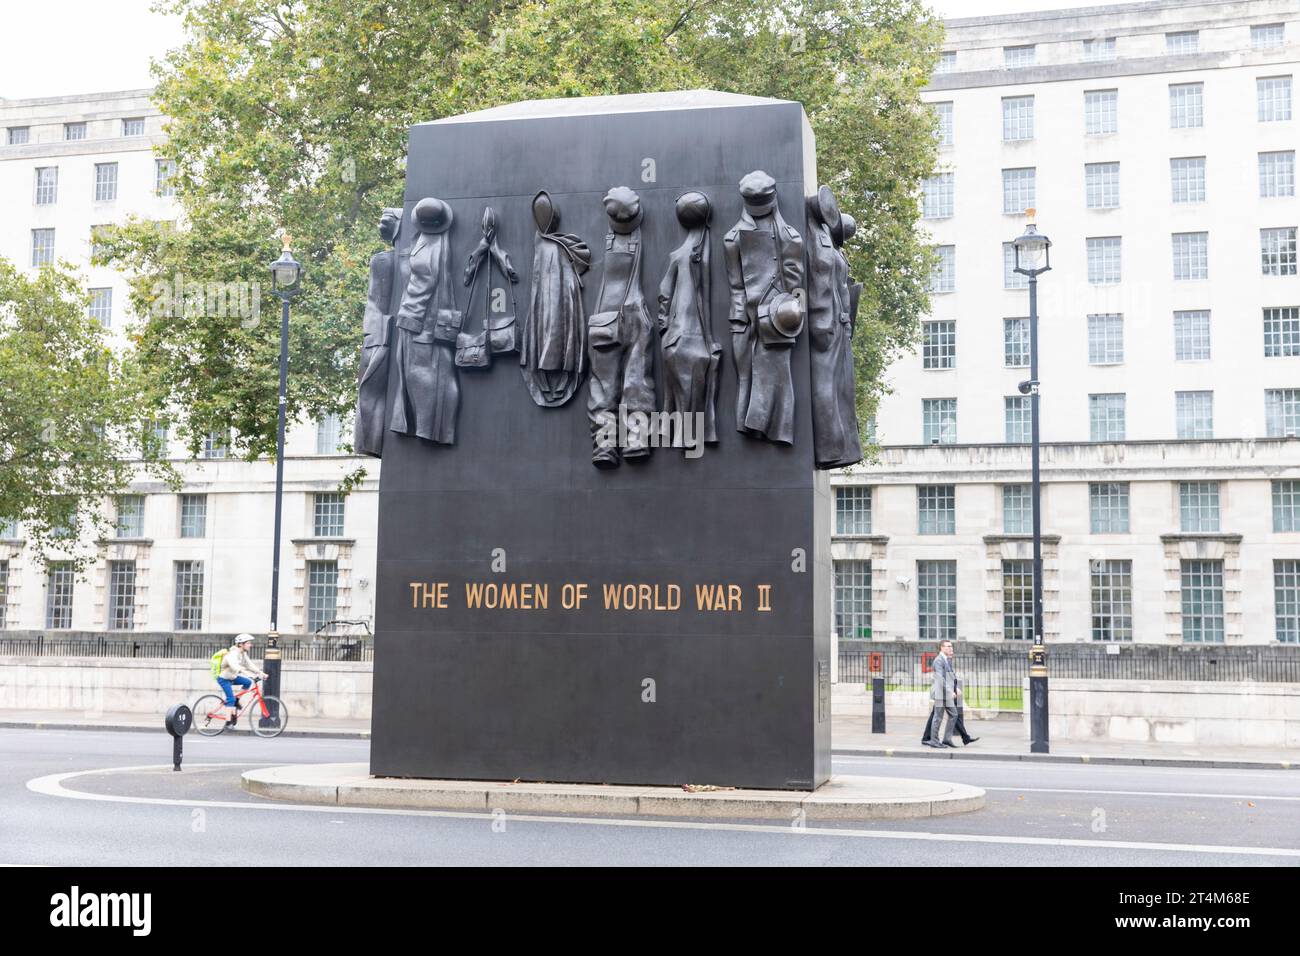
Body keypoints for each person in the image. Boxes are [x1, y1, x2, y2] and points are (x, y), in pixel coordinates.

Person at [218, 634, 267, 727]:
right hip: (224, 679)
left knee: (247, 682)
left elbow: (249, 665)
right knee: (230, 699)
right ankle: (228, 722)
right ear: (241, 644)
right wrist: (249, 674)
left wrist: (261, 673)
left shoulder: (243, 653)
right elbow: (236, 667)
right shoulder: (232, 654)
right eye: (248, 643)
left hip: (232, 677)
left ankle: (236, 700)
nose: (250, 645)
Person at [921, 675, 981, 746]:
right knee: (951, 714)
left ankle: (964, 737)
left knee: (951, 714)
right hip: (943, 692)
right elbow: (942, 677)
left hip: (944, 692)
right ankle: (929, 738)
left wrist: (954, 687)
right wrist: (953, 689)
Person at [924, 639, 959, 748]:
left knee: (954, 714)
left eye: (951, 646)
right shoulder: (939, 660)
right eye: (948, 646)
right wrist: (950, 691)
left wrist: (955, 688)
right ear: (942, 648)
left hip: (945, 692)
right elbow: (940, 679)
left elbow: (949, 676)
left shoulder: (946, 659)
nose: (950, 648)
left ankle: (947, 739)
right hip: (940, 692)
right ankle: (934, 741)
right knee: (938, 717)